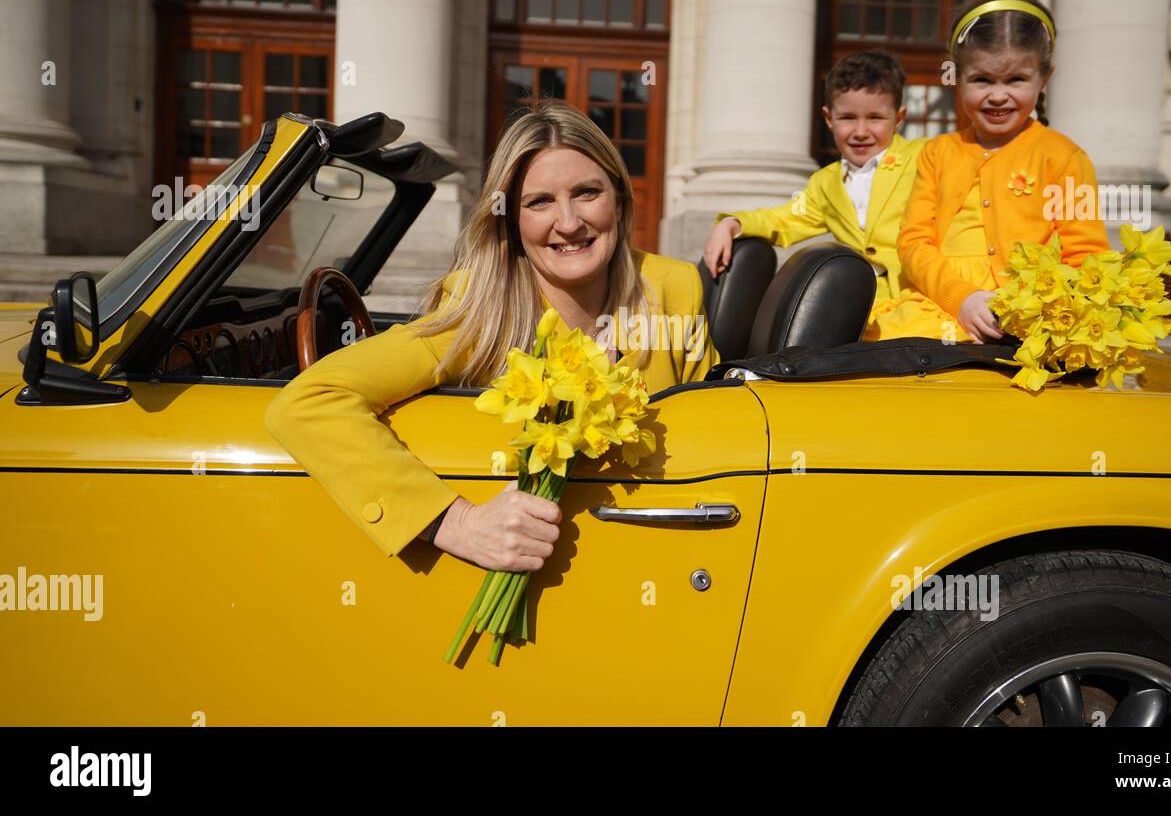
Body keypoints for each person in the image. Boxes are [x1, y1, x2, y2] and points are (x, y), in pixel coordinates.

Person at [264, 103, 720, 571]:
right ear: (510, 219)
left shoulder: (672, 288)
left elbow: (717, 426)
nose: (568, 223)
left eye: (587, 193)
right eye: (539, 202)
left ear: (619, 201)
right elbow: (311, 400)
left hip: (656, 559)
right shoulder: (475, 309)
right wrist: (458, 524)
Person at [889, 0, 1110, 343]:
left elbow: (1085, 255)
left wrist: (1029, 308)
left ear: (1045, 77)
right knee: (885, 336)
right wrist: (960, 298)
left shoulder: (1064, 157)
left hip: (1029, 319)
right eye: (982, 80)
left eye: (1016, 80)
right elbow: (913, 243)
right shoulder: (938, 152)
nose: (997, 95)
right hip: (941, 306)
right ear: (956, 77)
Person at [700, 50, 928, 340]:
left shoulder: (923, 158)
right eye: (847, 117)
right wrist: (733, 223)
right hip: (859, 308)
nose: (860, 131)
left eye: (874, 118)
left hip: (918, 303)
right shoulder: (825, 182)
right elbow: (785, 219)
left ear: (898, 119)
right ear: (828, 118)